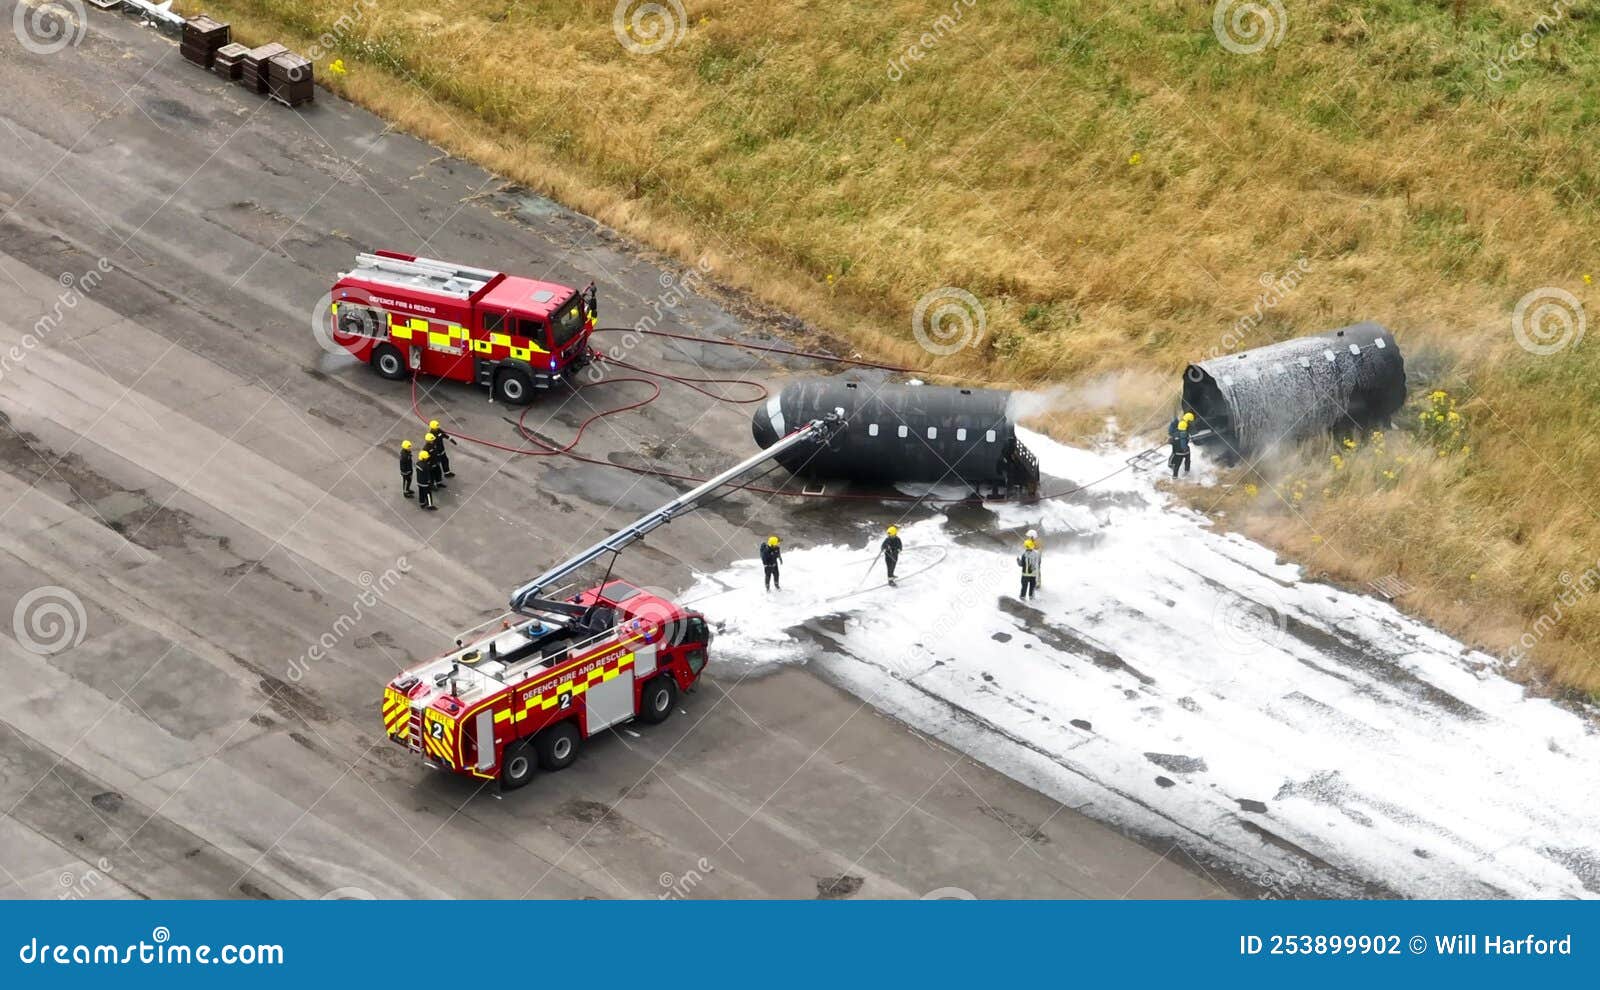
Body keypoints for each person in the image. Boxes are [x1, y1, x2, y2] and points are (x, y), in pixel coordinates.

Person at [1168, 413, 1193, 479]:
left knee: (1177, 464)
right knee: (1187, 461)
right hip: (1186, 452)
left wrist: (1170, 441)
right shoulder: (1186, 434)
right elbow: (1186, 440)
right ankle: (1187, 471)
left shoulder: (1174, 434)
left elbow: (1172, 439)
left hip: (1178, 453)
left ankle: (1174, 477)